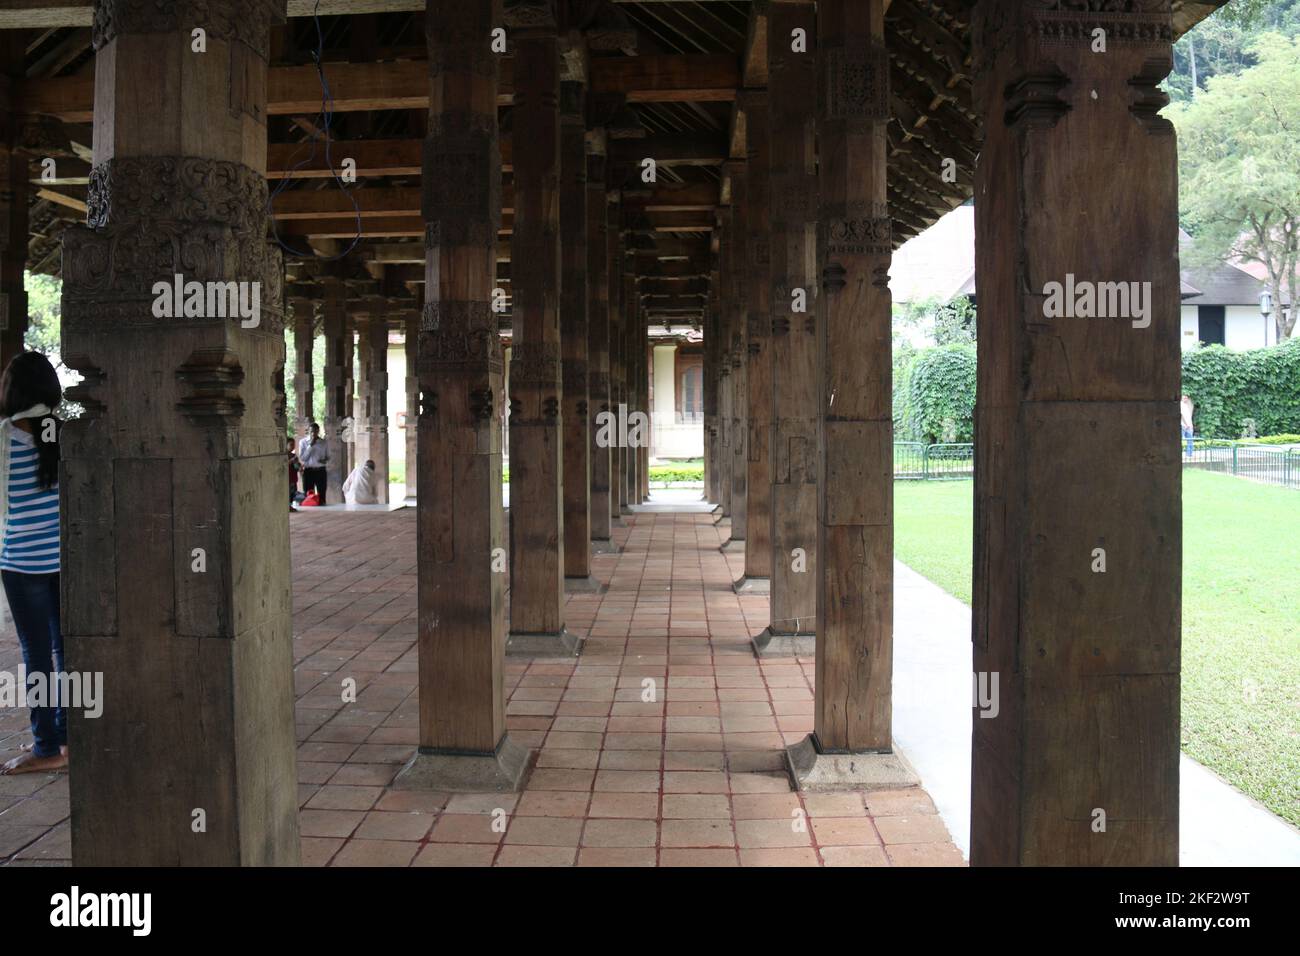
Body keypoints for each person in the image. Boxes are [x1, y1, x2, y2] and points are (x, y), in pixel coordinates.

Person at [0, 352, 67, 775]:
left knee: (37, 653)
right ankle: (65, 736)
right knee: (66, 648)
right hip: (63, 559)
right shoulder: (62, 433)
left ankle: (45, 749)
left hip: (21, 562)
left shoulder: (5, 435)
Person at [298, 422, 329, 505]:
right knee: (308, 494)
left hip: (321, 470)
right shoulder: (303, 442)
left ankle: (323, 513)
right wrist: (310, 446)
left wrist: (325, 460)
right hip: (308, 471)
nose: (313, 433)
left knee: (322, 493)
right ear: (308, 431)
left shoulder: (323, 442)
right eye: (311, 431)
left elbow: (328, 457)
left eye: (315, 431)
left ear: (318, 431)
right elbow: (303, 458)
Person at [287, 438, 301, 512]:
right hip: (287, 478)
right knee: (287, 493)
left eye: (294, 445)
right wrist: (291, 461)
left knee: (292, 492)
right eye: (291, 445)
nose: (293, 447)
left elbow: (297, 467)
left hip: (293, 477)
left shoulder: (293, 455)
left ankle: (290, 505)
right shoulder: (284, 455)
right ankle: (288, 506)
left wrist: (299, 466)